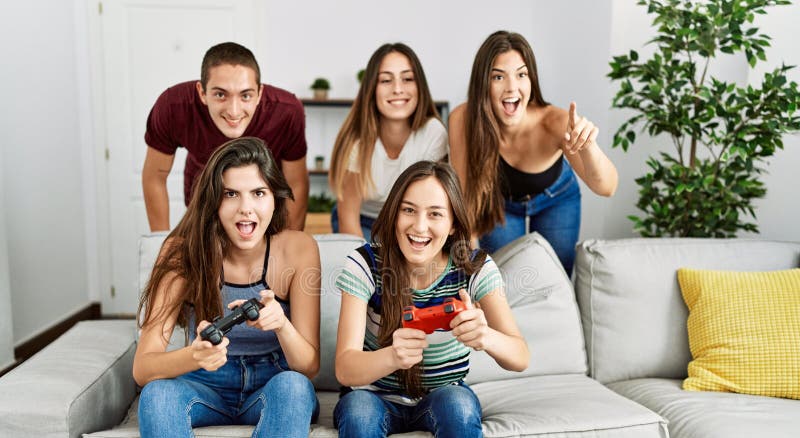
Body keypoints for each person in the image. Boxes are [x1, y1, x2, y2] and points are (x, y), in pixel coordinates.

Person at [134, 137, 320, 438]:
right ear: (213, 202)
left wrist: (282, 325)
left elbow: (308, 366)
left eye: (258, 193)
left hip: (272, 380)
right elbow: (143, 367)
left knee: (295, 388)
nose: (246, 208)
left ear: (275, 198)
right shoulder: (181, 252)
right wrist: (194, 356)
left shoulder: (297, 249)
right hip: (205, 381)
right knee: (156, 397)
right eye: (231, 194)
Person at [333, 160, 530, 438]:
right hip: (374, 394)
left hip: (442, 392)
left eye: (435, 214)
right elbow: (345, 367)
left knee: (458, 405)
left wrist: (485, 336)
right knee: (357, 411)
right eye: (408, 210)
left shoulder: (473, 267)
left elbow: (520, 356)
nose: (419, 226)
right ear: (394, 214)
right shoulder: (366, 263)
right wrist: (391, 356)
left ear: (453, 223)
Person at [449, 30, 618, 275]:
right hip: (499, 204)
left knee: (555, 278)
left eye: (522, 74)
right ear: (483, 83)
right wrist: (473, 275)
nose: (512, 87)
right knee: (504, 277)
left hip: (557, 199)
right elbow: (466, 204)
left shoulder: (554, 123)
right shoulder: (463, 120)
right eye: (498, 77)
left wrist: (589, 146)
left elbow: (607, 187)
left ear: (532, 80)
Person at [143, 42, 309, 232]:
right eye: (221, 94)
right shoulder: (173, 107)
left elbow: (296, 184)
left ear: (259, 94)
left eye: (245, 96)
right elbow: (155, 177)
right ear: (202, 93)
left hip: (263, 203)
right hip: (204, 197)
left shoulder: (287, 112)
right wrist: (161, 241)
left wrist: (288, 242)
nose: (234, 111)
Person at [328, 43, 448, 241]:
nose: (397, 89)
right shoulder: (357, 139)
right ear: (371, 89)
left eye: (407, 79)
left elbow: (435, 206)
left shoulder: (433, 133)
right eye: (385, 80)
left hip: (411, 221)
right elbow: (348, 218)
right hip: (365, 222)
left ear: (420, 86)